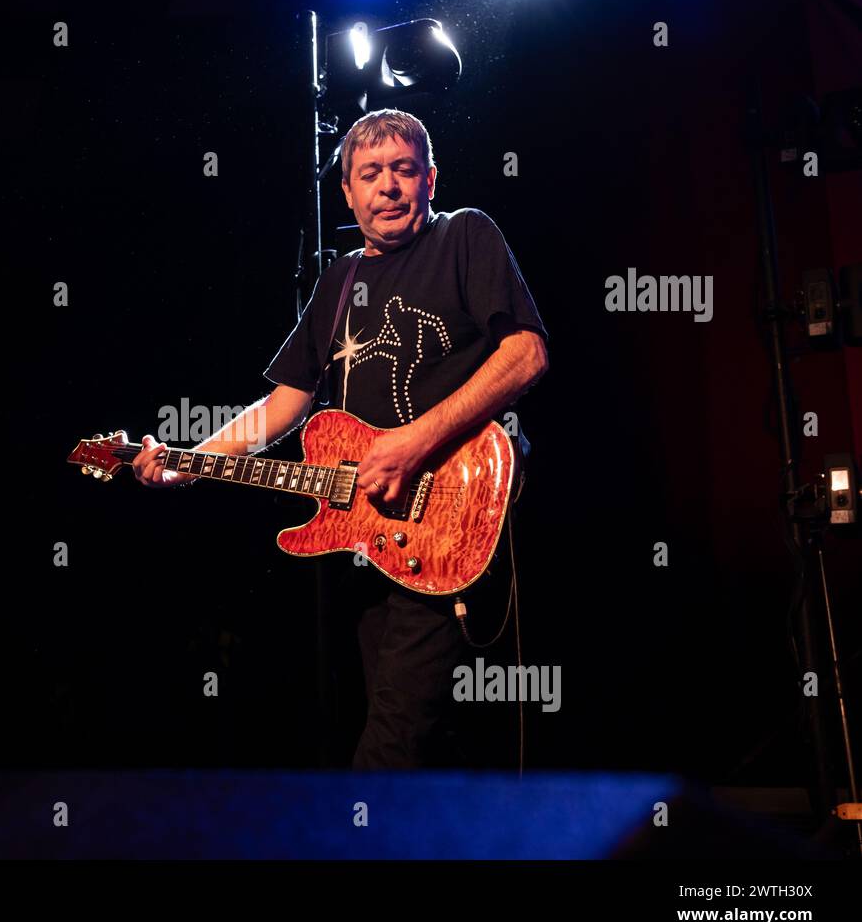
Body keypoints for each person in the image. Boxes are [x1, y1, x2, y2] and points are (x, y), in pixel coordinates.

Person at [132, 108, 549, 768]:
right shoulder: (340, 279)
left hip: (450, 518)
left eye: (404, 171)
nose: (388, 187)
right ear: (348, 194)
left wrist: (413, 443)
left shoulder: (466, 236)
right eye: (371, 174)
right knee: (417, 738)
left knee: (388, 748)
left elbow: (525, 355)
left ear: (430, 179)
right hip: (369, 543)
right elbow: (284, 406)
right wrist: (188, 463)